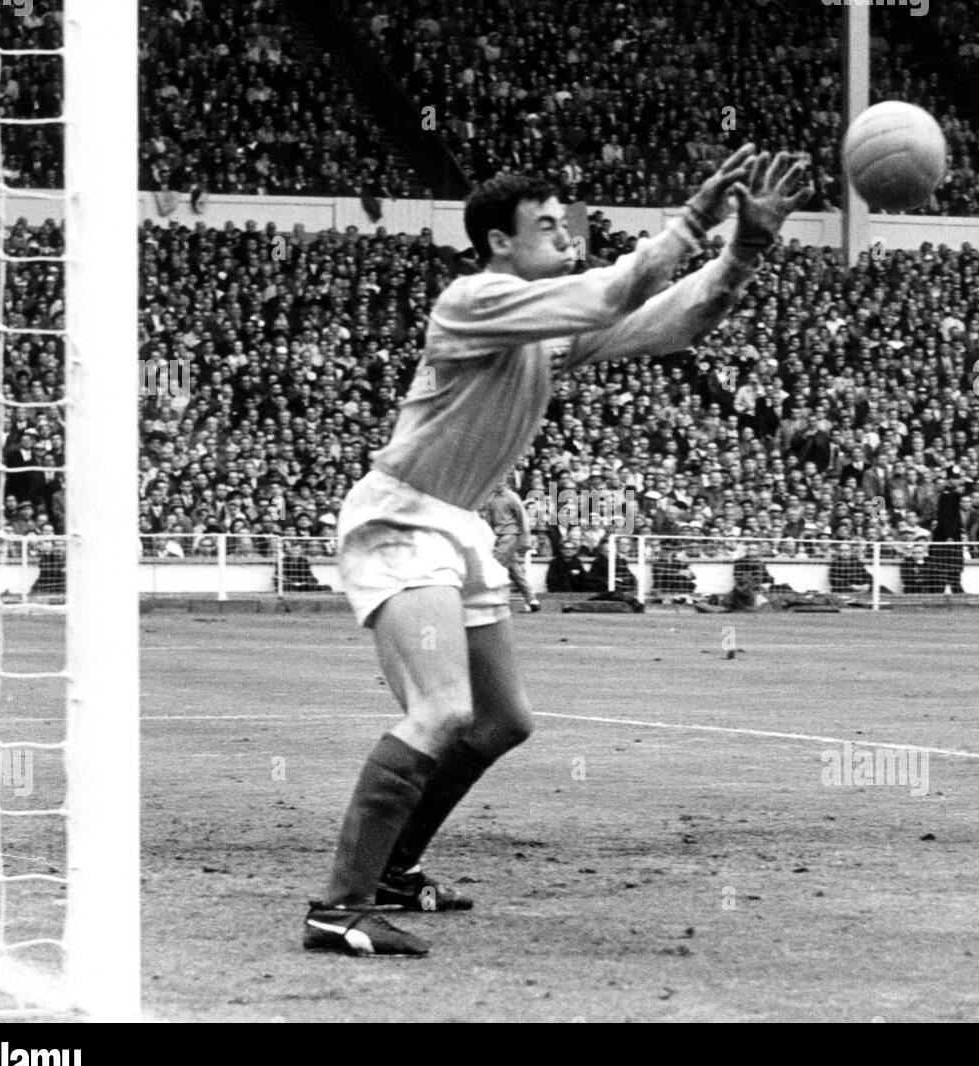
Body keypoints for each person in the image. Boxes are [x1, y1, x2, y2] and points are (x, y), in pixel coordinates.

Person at [307, 145, 810, 957]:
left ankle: (394, 870)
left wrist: (744, 249)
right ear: (500, 243)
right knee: (441, 710)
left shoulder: (547, 330)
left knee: (501, 721)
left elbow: (675, 318)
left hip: (457, 523)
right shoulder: (473, 298)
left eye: (566, 222)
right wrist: (693, 220)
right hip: (401, 523)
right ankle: (339, 907)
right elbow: (619, 287)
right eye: (545, 226)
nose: (564, 234)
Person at [480, 482, 539, 612]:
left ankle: (487, 598)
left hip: (510, 534)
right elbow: (489, 520)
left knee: (495, 564)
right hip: (497, 535)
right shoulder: (490, 498)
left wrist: (526, 538)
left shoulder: (511, 497)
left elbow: (522, 517)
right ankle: (532, 599)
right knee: (514, 570)